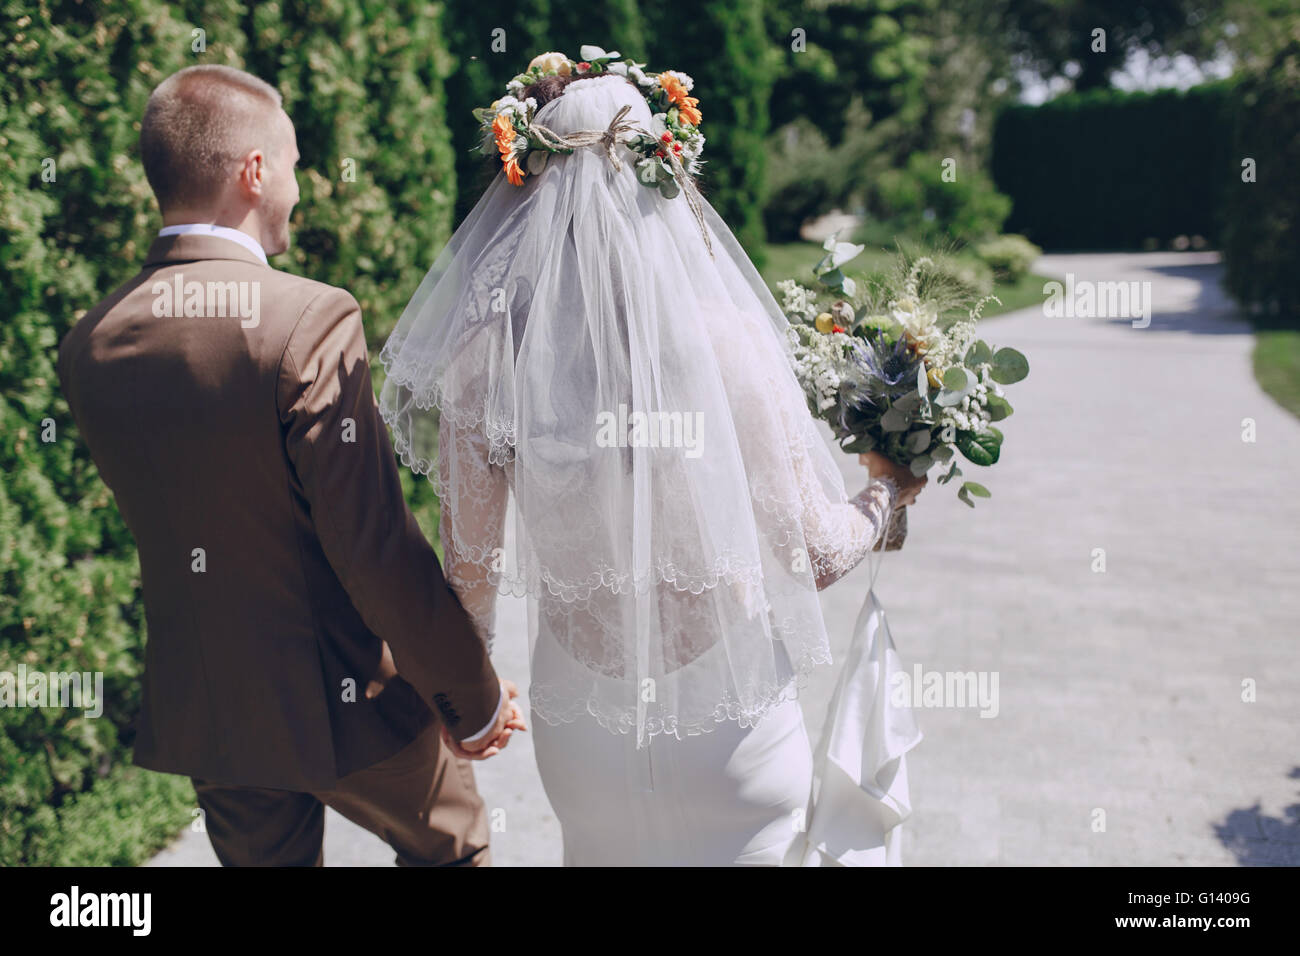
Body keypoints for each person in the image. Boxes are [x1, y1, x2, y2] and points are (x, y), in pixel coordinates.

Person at [379, 65, 927, 866]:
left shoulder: (485, 358)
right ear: (667, 176)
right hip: (729, 724)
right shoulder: (729, 341)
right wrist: (886, 492)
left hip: (581, 730)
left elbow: (470, 584)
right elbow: (812, 554)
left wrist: (465, 707)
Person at [57, 64, 523, 867]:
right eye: (297, 164)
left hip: (216, 713)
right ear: (254, 171)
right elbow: (371, 544)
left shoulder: (92, 342)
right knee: (457, 853)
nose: (302, 189)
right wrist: (470, 696)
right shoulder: (307, 317)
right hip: (356, 699)